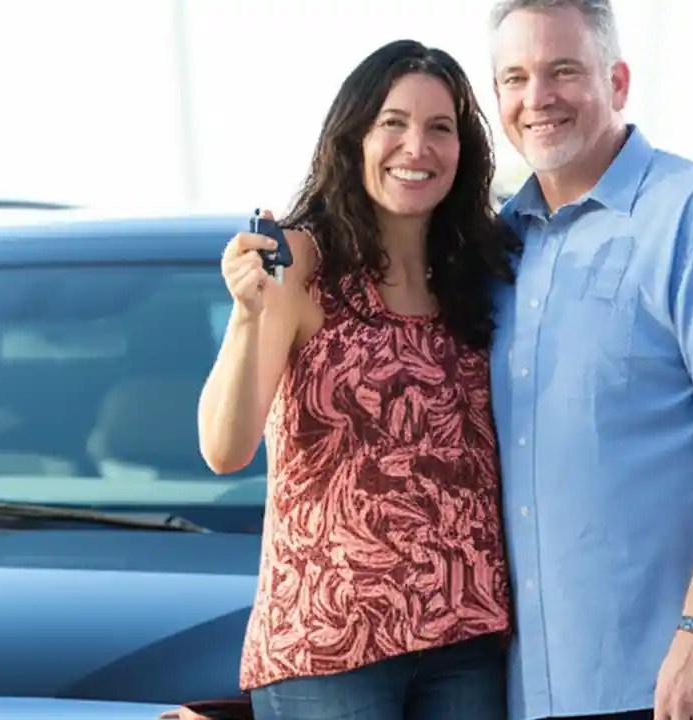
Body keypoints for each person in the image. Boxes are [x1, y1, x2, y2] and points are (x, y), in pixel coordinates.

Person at [174, 39, 521, 720]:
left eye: (439, 127)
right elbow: (224, 448)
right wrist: (246, 316)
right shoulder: (302, 261)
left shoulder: (482, 275)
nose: (415, 146)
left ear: (464, 150)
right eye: (393, 122)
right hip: (329, 651)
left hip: (469, 642)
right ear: (355, 136)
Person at [486, 1, 693, 719]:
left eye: (563, 70)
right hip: (541, 696)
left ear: (617, 81)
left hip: (689, 686)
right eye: (515, 77)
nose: (538, 98)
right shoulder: (498, 253)